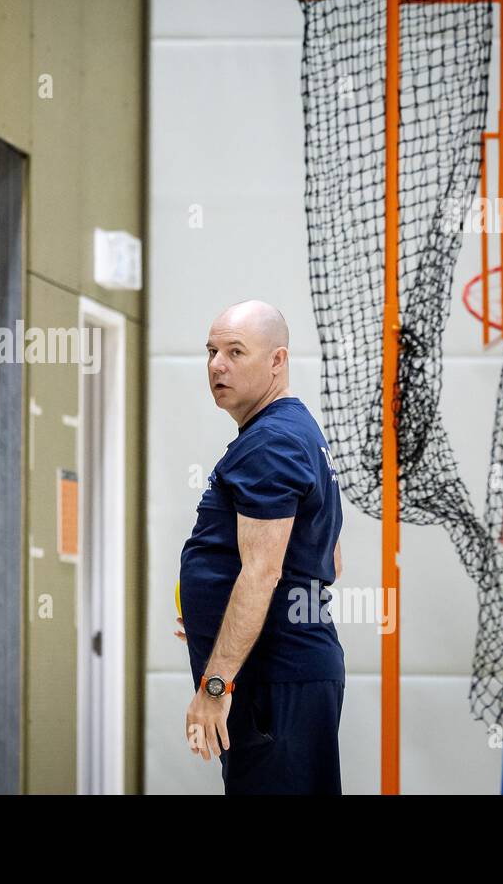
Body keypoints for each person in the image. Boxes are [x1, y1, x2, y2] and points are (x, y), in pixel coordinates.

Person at [177, 299, 345, 794]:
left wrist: (215, 686)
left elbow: (262, 573)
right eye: (211, 352)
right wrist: (216, 616)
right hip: (290, 674)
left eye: (235, 352)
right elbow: (327, 555)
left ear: (277, 360)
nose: (216, 366)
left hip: (276, 681)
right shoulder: (297, 433)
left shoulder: (271, 443)